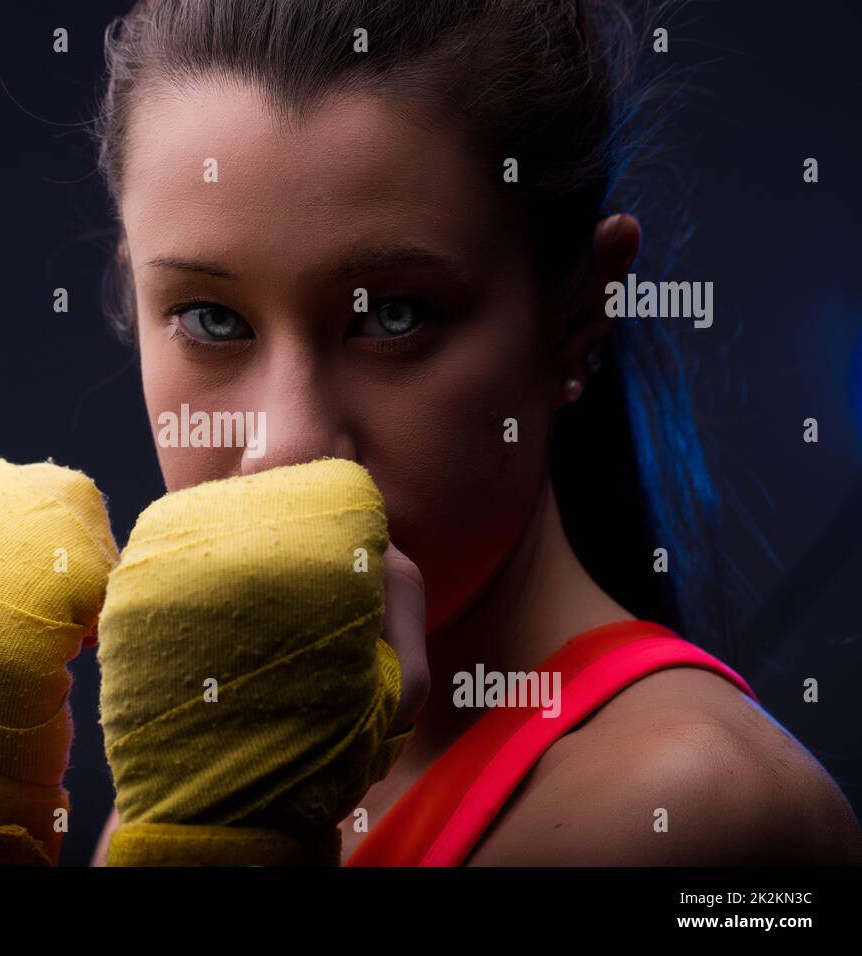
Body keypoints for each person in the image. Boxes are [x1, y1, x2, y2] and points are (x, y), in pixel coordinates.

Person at [79, 0, 862, 865]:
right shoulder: (201, 776)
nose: (287, 448)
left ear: (574, 321)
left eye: (395, 316)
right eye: (211, 320)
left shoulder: (694, 812)